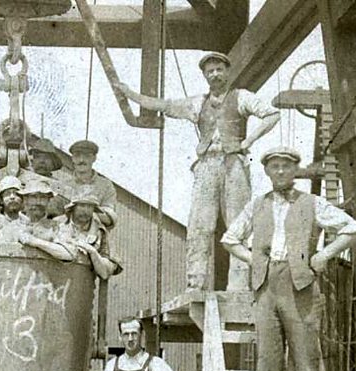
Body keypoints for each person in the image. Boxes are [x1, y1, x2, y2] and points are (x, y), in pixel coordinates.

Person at [221, 147, 356, 371]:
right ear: (268, 172)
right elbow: (229, 239)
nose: (281, 172)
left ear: (295, 170)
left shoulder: (312, 204)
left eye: (286, 166)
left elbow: (354, 229)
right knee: (268, 364)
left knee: (305, 363)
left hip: (300, 286)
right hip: (266, 288)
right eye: (275, 167)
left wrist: (325, 254)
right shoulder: (257, 205)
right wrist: (255, 260)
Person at [117, 52, 280, 292]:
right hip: (206, 165)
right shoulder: (198, 103)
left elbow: (272, 114)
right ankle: (195, 283)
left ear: (227, 72)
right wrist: (130, 93)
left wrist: (249, 142)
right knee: (199, 224)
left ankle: (239, 285)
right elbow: (164, 105)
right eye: (210, 71)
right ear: (205, 75)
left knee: (238, 224)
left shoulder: (241, 97)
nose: (215, 74)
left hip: (234, 164)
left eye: (219, 69)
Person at [48, 140, 118, 228]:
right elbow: (52, 213)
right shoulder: (63, 184)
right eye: (77, 156)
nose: (81, 160)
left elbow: (110, 217)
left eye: (87, 156)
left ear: (94, 158)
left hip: (93, 236)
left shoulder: (105, 185)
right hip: (64, 234)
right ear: (72, 158)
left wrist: (80, 212)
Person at [56, 194, 122, 279]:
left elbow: (105, 272)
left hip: (82, 284)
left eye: (90, 207)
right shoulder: (57, 224)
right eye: (82, 205)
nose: (86, 211)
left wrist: (92, 252)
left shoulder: (100, 232)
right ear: (73, 207)